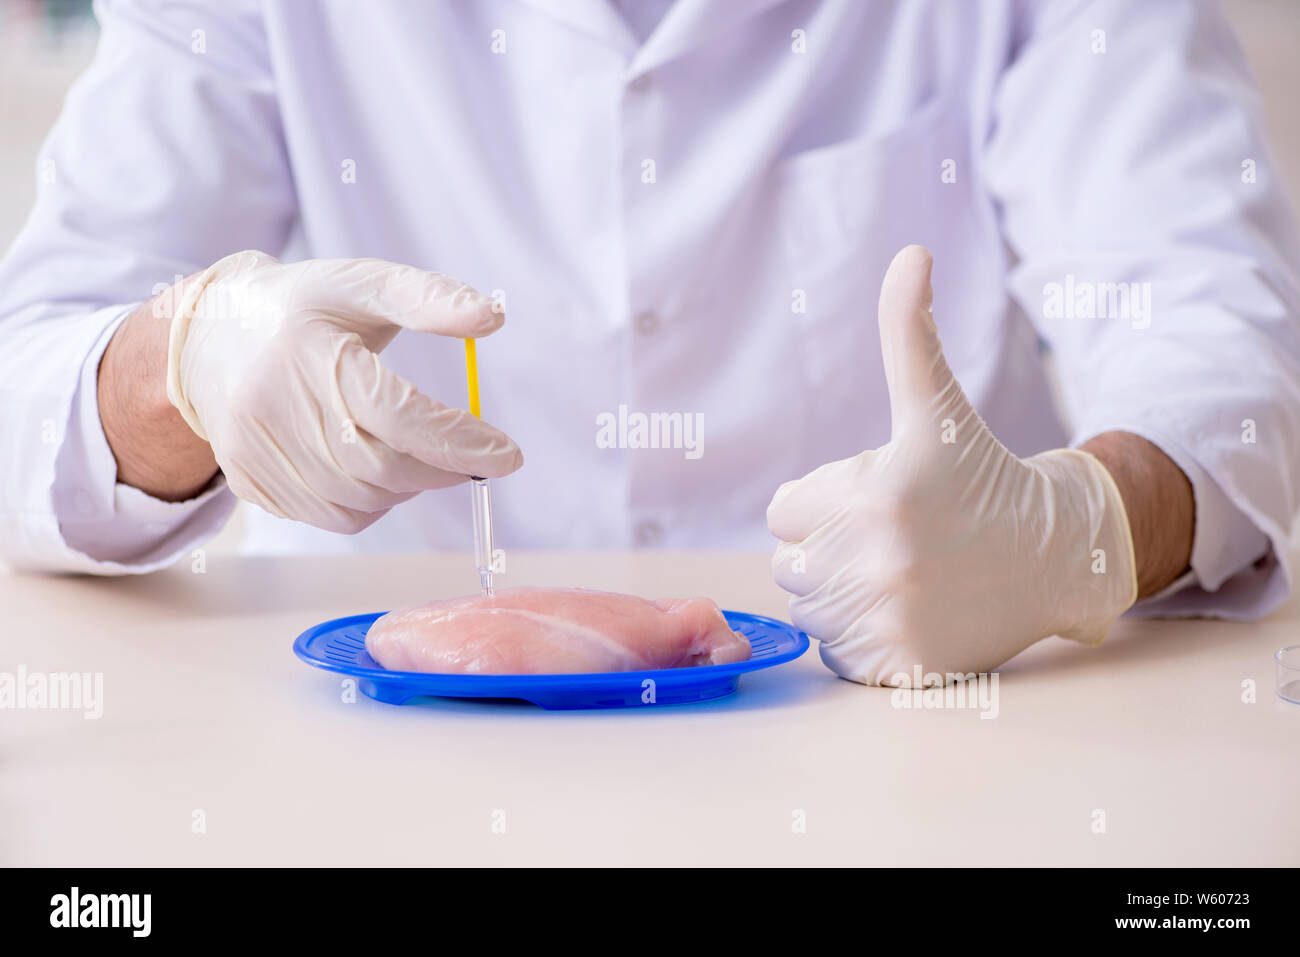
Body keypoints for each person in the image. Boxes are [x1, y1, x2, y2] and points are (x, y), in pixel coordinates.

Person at [2, 0, 1297, 685]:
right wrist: (186, 363)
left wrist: (1080, 527)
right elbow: (27, 382)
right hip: (379, 769)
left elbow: (1216, 325)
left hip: (909, 727)